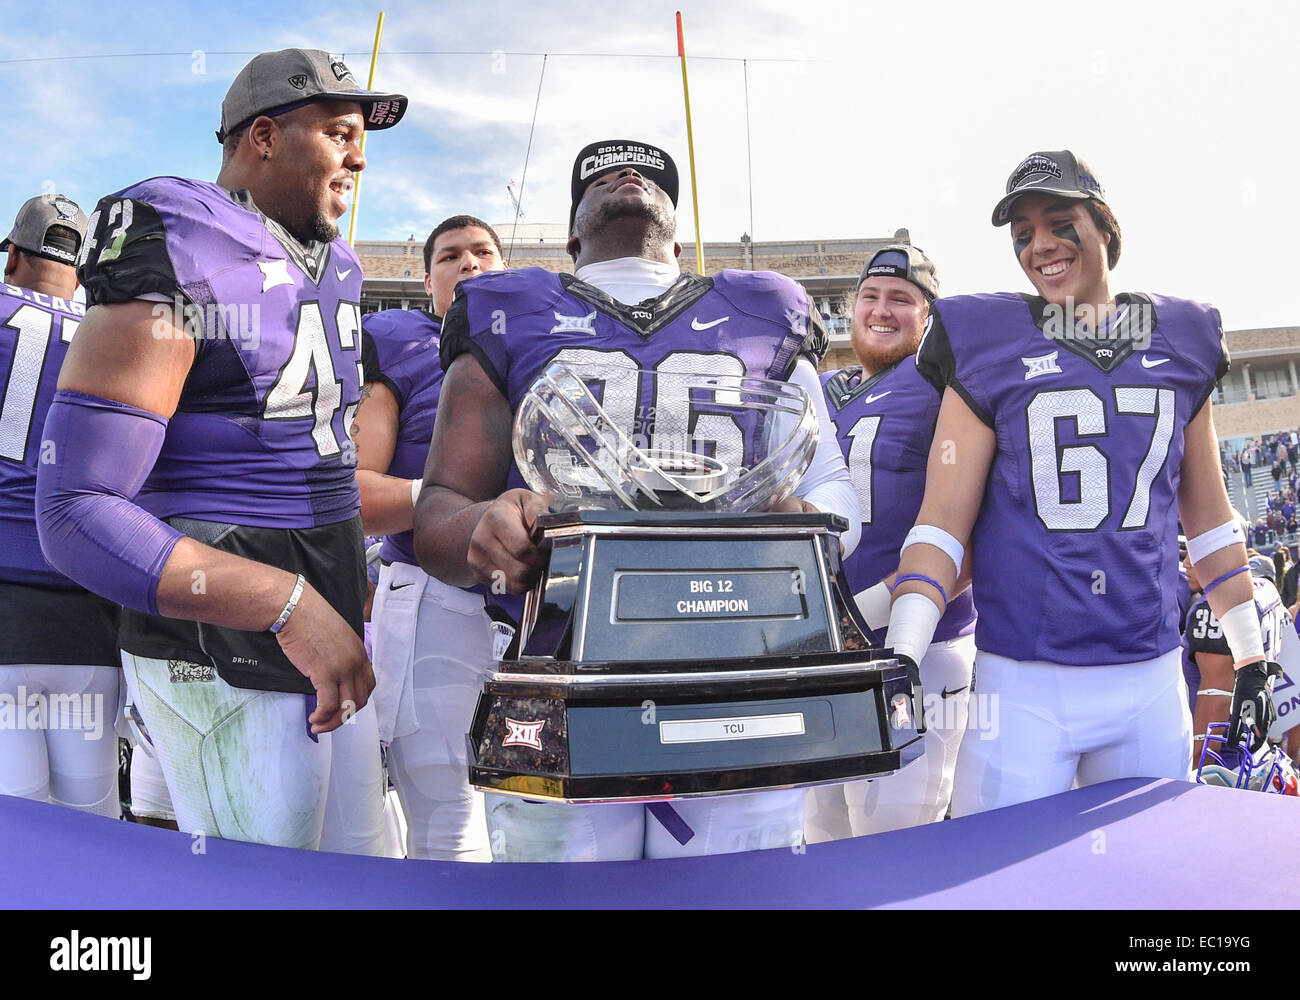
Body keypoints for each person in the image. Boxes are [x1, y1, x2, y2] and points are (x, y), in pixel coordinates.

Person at [413, 138, 860, 861]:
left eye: (653, 176)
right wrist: (482, 528)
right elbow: (440, 507)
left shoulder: (764, 307)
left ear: (677, 230)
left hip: (737, 669)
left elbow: (828, 484)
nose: (631, 176)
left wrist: (806, 530)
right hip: (560, 672)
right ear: (571, 232)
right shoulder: (508, 307)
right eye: (602, 176)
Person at [35, 48, 407, 851]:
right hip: (227, 639)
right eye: (340, 131)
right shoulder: (186, 234)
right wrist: (284, 602)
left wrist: (436, 511)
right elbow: (74, 509)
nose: (360, 155)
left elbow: (328, 474)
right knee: (269, 893)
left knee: (360, 880)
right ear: (264, 137)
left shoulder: (337, 263)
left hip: (329, 626)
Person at [886, 149, 1274, 815]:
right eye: (1022, 235)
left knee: (1142, 891)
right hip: (1023, 689)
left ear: (1104, 226)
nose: (1039, 246)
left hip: (1149, 684)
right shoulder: (985, 339)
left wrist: (1252, 657)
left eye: (1057, 221)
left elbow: (1209, 521)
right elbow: (942, 525)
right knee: (1004, 885)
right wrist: (903, 653)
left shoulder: (1181, 339)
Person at [804, 244, 975, 842]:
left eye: (901, 299)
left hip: (914, 653)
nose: (882, 310)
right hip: (817, 656)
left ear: (927, 318)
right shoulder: (817, 391)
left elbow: (974, 526)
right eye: (869, 297)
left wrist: (874, 606)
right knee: (820, 842)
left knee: (894, 845)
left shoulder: (945, 388)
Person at [354, 215, 507, 860]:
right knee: (447, 810)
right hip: (435, 596)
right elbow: (355, 492)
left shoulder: (552, 340)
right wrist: (453, 503)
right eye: (450, 256)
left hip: (541, 600)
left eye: (482, 252)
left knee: (535, 812)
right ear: (427, 283)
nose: (468, 263)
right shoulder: (402, 345)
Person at [0, 193, 124, 818]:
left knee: (14, 842)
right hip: (91, 616)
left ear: (11, 258)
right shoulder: (119, 335)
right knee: (92, 834)